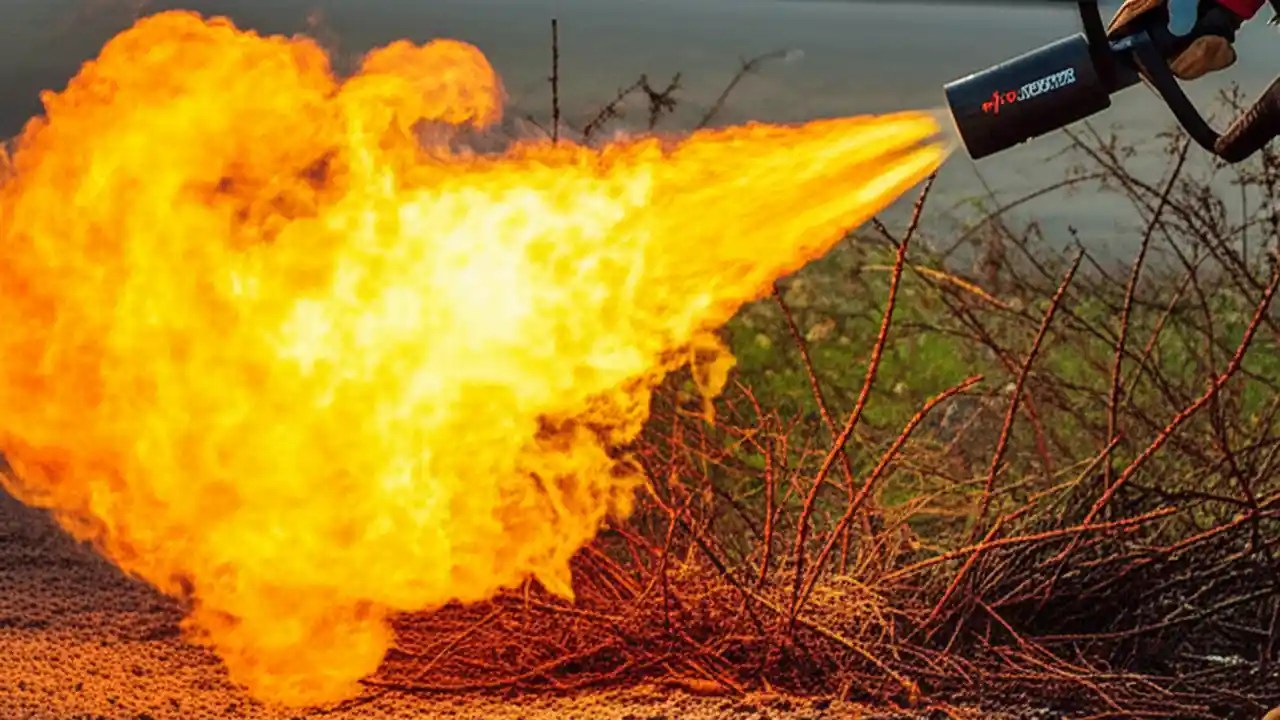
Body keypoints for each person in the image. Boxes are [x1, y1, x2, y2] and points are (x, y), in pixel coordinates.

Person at [1107, 0, 1270, 80]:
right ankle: (1207, 44)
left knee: (1157, 40)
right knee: (1218, 25)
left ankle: (1202, 46)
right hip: (1231, 15)